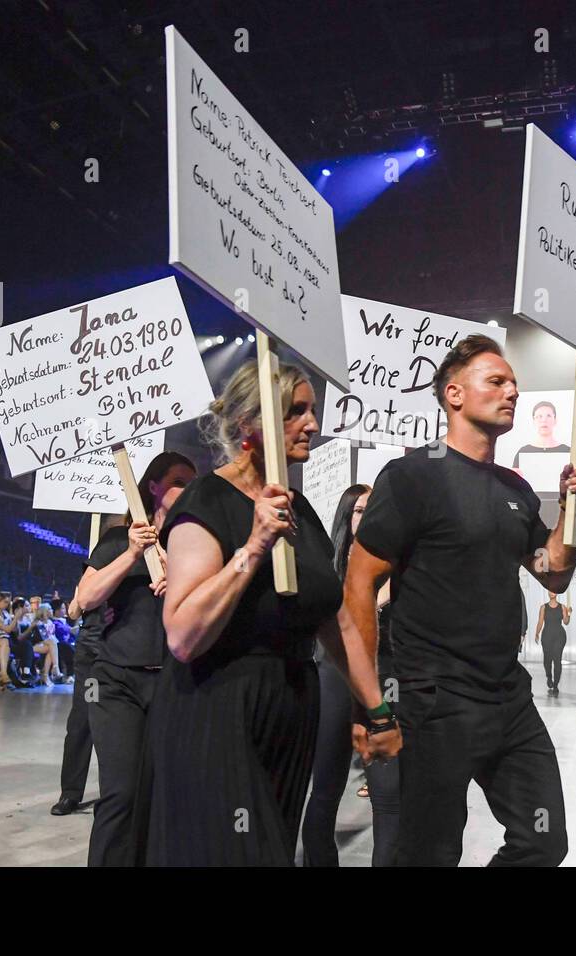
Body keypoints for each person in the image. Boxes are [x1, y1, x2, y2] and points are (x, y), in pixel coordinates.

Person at [345, 334, 576, 866]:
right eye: (497, 381)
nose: (512, 393)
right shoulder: (414, 475)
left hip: (508, 695)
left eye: (514, 384)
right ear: (453, 395)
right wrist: (371, 707)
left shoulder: (515, 486)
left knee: (543, 841)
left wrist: (574, 507)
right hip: (436, 700)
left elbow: (554, 575)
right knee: (429, 854)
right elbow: (358, 584)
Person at [138, 361, 395, 866]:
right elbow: (183, 636)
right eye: (296, 411)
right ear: (252, 424)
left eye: (312, 411)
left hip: (290, 715)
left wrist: (377, 710)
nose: (313, 424)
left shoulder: (300, 512)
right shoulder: (205, 501)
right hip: (217, 712)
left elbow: (336, 620)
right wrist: (253, 547)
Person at [79, 452, 196, 866]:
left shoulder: (192, 544)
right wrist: (131, 555)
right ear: (154, 487)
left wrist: (180, 582)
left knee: (162, 792)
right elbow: (83, 600)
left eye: (191, 481)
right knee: (121, 792)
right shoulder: (116, 540)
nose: (188, 487)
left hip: (174, 685)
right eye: (179, 480)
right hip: (118, 684)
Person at [300, 483, 401, 867]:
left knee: (388, 795)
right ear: (347, 517)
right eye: (360, 509)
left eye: (375, 507)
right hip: (333, 677)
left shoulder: (399, 564)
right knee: (325, 789)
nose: (369, 515)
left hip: (385, 679)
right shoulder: (329, 566)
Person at [52, 515, 125, 817]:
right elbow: (73, 610)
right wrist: (80, 603)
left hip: (121, 650)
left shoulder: (142, 560)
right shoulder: (96, 567)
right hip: (92, 650)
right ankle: (71, 793)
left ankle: (115, 794)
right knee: (81, 722)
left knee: (118, 727)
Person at [510, 400, 571, 470]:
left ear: (555, 420)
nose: (544, 420)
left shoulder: (568, 451)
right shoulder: (523, 452)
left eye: (548, 416)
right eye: (539, 416)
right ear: (534, 421)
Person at [535, 590, 571, 696]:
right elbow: (540, 621)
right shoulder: (543, 607)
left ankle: (555, 684)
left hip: (559, 637)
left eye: (553, 591)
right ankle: (549, 677)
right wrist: (537, 633)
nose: (551, 592)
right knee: (547, 660)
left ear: (557, 593)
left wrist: (569, 614)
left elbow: (566, 622)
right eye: (549, 591)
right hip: (546, 637)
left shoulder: (562, 607)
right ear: (547, 593)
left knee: (557, 660)